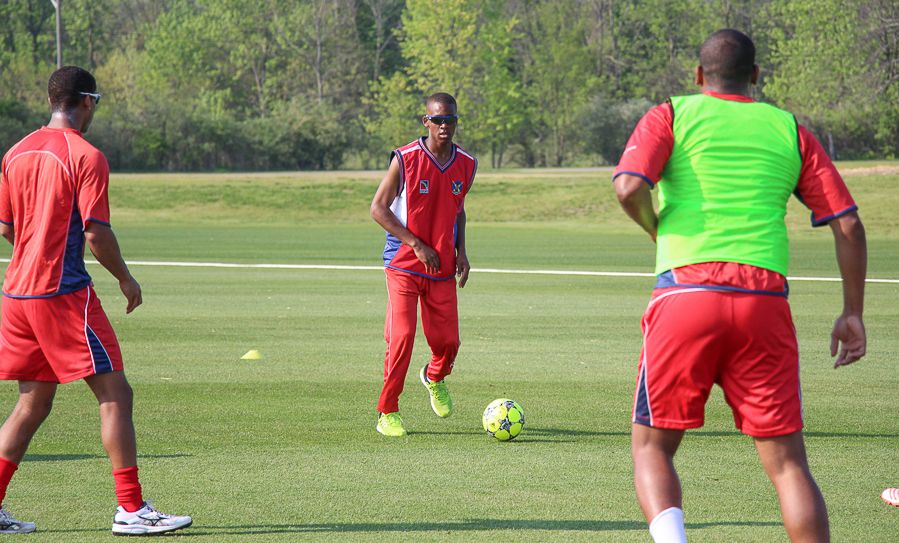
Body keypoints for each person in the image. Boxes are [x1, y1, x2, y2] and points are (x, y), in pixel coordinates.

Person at [612, 30, 867, 543]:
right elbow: (849, 225)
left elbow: (629, 186)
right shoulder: (788, 128)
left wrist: (658, 230)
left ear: (699, 76)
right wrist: (852, 312)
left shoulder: (672, 113)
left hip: (685, 295)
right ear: (755, 77)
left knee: (653, 449)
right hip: (763, 303)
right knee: (789, 466)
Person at [0, 66, 192, 535]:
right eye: (97, 101)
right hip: (62, 294)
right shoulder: (86, 155)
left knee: (32, 404)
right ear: (86, 101)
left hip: (16, 294)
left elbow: (5, 228)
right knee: (115, 394)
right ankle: (131, 510)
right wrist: (126, 279)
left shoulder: (16, 152)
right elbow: (96, 234)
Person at [370, 92, 477, 437]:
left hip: (442, 266)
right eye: (438, 120)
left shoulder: (467, 163)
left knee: (449, 344)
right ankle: (388, 411)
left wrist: (461, 251)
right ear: (426, 122)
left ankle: (434, 376)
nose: (444, 126)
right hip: (404, 263)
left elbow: (458, 209)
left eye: (451, 120)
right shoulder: (405, 159)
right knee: (401, 338)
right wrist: (416, 244)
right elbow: (378, 209)